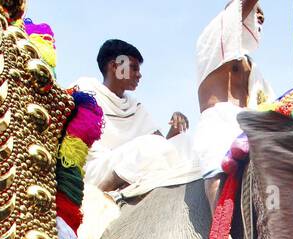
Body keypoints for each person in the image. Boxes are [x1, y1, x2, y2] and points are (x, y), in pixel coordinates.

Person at [76, 39, 191, 192]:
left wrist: (175, 130)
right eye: (133, 68)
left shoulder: (135, 107)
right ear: (114, 66)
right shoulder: (86, 90)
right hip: (96, 169)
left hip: (131, 161)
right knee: (146, 146)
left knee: (184, 142)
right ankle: (98, 195)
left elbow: (163, 146)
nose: (139, 75)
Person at [192, 0, 269, 177]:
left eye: (262, 19)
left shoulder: (252, 66)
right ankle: (218, 206)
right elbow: (238, 9)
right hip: (219, 121)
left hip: (250, 126)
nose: (259, 19)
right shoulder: (212, 38)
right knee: (217, 168)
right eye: (256, 13)